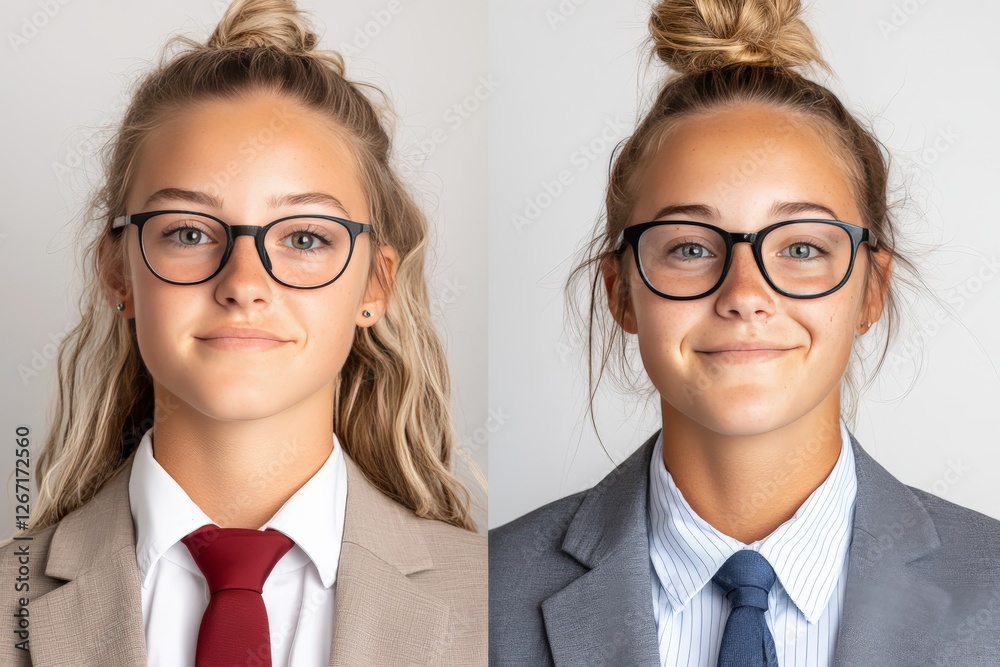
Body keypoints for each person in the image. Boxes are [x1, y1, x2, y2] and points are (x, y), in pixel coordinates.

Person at [489, 0, 1000, 665]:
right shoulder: (488, 592)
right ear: (621, 291)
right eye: (690, 248)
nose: (745, 295)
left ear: (871, 289)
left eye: (803, 248)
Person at [0, 1, 486, 665]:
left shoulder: (491, 601)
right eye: (190, 232)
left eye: (307, 237)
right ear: (118, 273)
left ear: (374, 284)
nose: (244, 282)